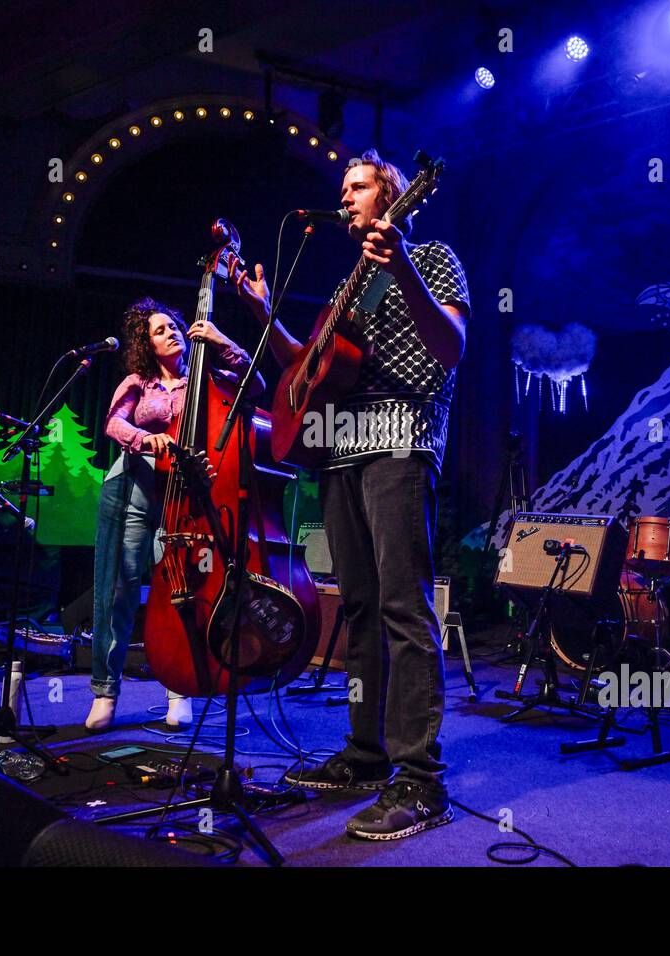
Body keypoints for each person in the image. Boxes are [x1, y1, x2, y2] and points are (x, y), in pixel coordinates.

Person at [234, 149, 469, 840]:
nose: (345, 198)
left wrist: (400, 267)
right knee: (360, 611)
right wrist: (259, 312)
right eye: (342, 189)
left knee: (402, 606)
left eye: (358, 186)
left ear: (392, 195)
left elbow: (452, 347)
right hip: (341, 446)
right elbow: (306, 371)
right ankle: (367, 755)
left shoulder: (428, 257)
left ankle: (421, 780)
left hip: (399, 440)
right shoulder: (350, 284)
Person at [85, 297, 260, 732]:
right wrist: (146, 439)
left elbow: (255, 385)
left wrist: (221, 341)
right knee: (118, 588)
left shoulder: (208, 378)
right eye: (159, 330)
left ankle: (179, 687)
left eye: (174, 326)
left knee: (181, 592)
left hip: (184, 499)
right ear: (147, 345)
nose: (170, 332)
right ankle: (105, 691)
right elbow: (113, 424)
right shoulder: (137, 382)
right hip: (132, 488)